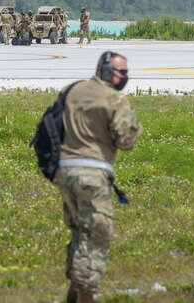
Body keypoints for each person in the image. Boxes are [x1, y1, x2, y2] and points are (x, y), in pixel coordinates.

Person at [57, 51, 143, 303]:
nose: (125, 77)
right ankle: (86, 296)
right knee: (96, 235)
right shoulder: (114, 98)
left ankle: (74, 290)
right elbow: (125, 141)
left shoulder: (71, 90)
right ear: (106, 71)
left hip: (65, 170)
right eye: (121, 72)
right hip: (91, 173)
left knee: (79, 231)